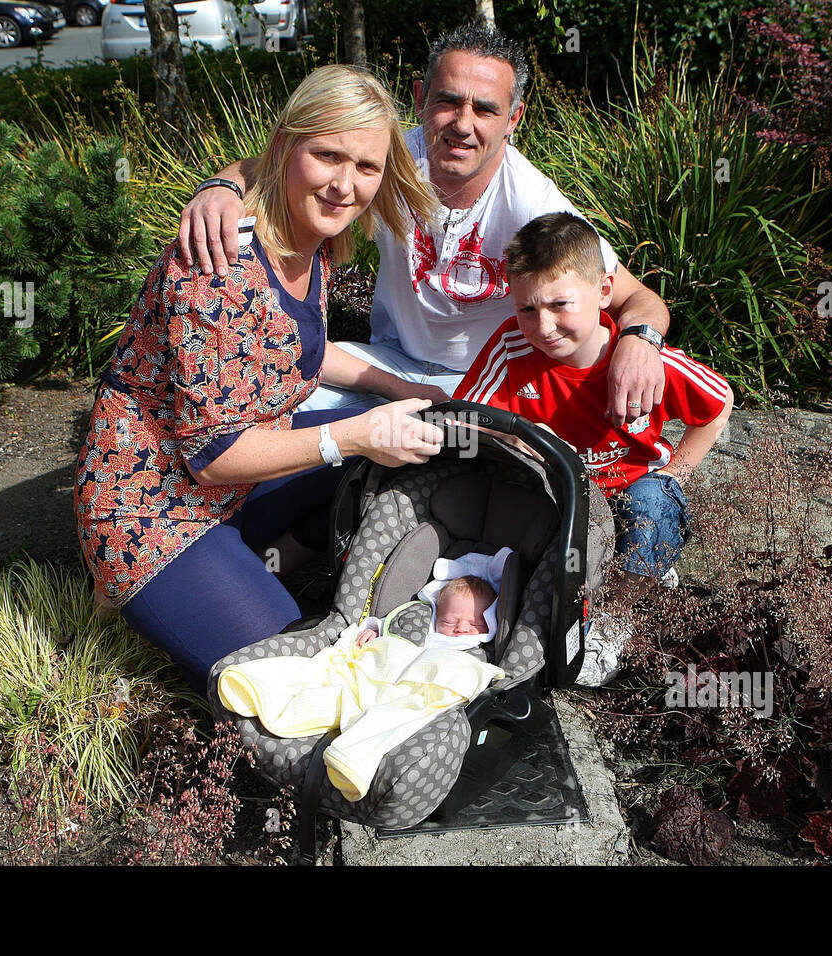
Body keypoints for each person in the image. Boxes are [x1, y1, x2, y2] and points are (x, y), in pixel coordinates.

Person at [73, 65, 447, 692]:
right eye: (327, 155)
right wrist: (356, 433)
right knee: (297, 682)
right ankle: (146, 595)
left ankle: (263, 563)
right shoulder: (217, 264)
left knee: (414, 437)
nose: (344, 185)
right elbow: (214, 459)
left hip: (237, 486)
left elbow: (298, 351)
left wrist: (395, 388)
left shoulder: (312, 238)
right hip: (156, 510)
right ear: (285, 147)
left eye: (367, 167)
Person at [175, 22, 672, 426]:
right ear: (419, 97)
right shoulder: (386, 159)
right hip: (389, 363)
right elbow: (277, 164)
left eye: (484, 109)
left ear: (514, 118)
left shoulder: (533, 201)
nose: (462, 123)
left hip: (490, 381)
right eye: (448, 101)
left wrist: (641, 341)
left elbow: (637, 298)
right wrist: (220, 186)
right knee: (277, 398)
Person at [454, 213, 734, 683]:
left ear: (605, 291)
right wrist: (517, 439)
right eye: (526, 309)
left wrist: (677, 473)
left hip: (629, 485)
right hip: (558, 488)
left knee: (655, 509)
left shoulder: (649, 362)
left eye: (560, 304)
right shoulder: (509, 350)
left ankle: (618, 615)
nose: (542, 326)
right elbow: (470, 418)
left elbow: (719, 403)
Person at [355, 574, 496, 646]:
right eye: (449, 621)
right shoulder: (422, 623)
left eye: (476, 624)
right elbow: (395, 627)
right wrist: (377, 631)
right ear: (436, 616)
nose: (462, 628)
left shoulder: (482, 648)